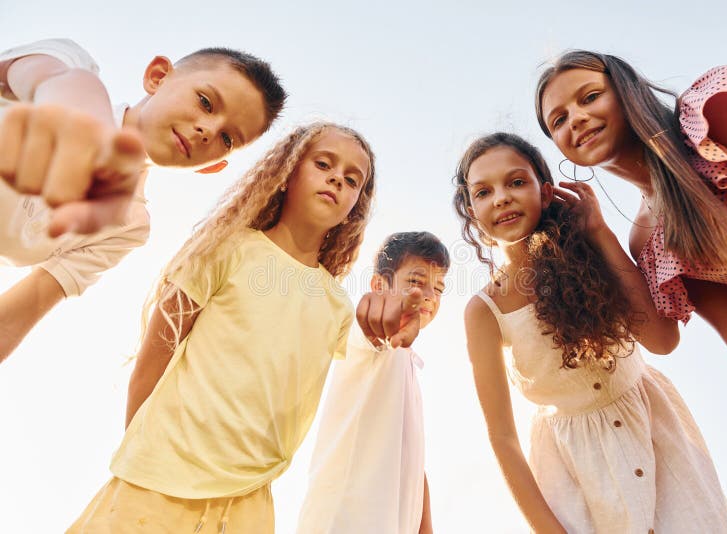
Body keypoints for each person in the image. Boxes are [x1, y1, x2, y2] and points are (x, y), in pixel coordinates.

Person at [67, 122, 376, 533]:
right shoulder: (228, 248)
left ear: (355, 205)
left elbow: (365, 381)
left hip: (248, 499)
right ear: (286, 175)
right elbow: (156, 351)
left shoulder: (338, 307)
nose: (337, 178)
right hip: (159, 479)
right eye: (323, 164)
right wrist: (144, 450)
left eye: (353, 179)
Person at [456, 132, 727, 533]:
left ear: (547, 191)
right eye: (484, 191)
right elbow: (502, 437)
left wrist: (601, 233)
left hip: (657, 435)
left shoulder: (594, 259)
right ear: (471, 210)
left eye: (516, 182)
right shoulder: (485, 310)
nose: (501, 197)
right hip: (574, 471)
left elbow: (663, 340)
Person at [535, 51, 727, 410]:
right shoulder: (648, 240)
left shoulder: (712, 118)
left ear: (626, 91)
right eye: (559, 120)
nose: (577, 119)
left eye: (590, 97)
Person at [0, 38, 286, 361]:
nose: (207, 129)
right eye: (206, 102)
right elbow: (46, 77)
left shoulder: (127, 226)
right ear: (158, 76)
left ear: (213, 167)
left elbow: (24, 309)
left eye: (226, 138)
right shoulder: (72, 65)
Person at [298, 231, 449, 534]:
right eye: (417, 282)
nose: (429, 296)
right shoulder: (369, 342)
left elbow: (413, 463)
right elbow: (369, 323)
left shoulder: (407, 361)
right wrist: (379, 317)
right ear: (380, 285)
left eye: (439, 287)